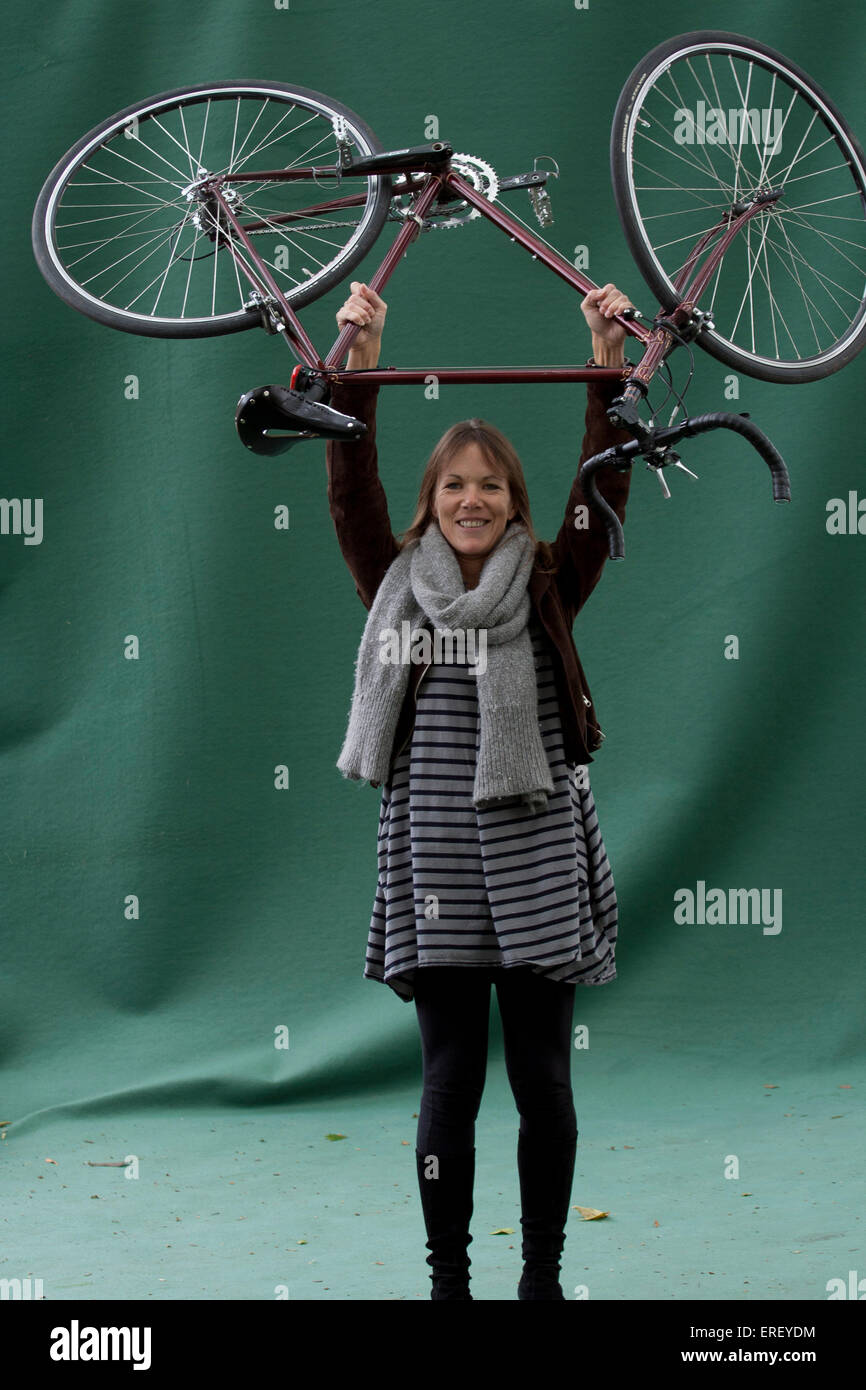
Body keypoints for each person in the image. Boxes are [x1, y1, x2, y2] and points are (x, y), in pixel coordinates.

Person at [325, 279, 636, 1300]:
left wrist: (601, 353)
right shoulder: (393, 583)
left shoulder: (549, 576)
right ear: (432, 498)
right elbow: (349, 488)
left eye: (490, 487)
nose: (470, 499)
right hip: (437, 866)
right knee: (448, 1082)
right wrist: (361, 362)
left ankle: (539, 1275)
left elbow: (606, 482)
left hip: (539, 851)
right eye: (453, 484)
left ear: (515, 502)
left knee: (541, 1082)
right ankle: (447, 1279)